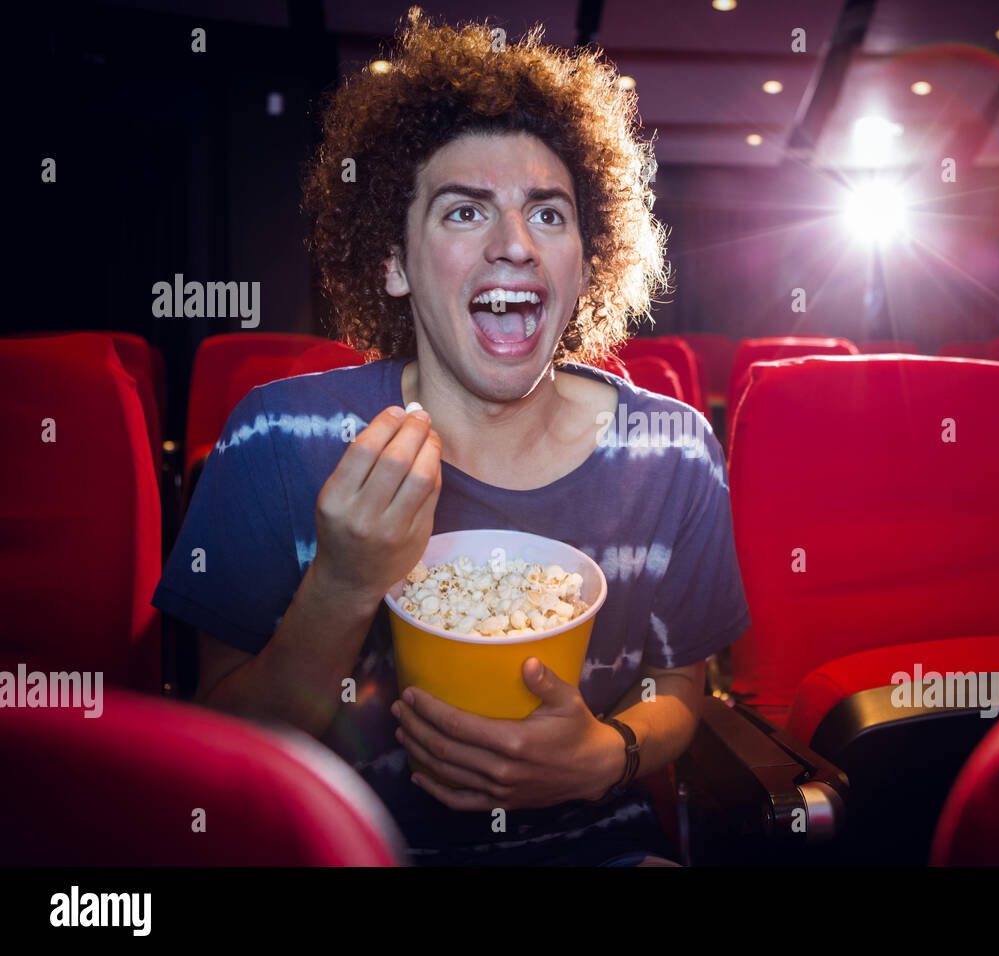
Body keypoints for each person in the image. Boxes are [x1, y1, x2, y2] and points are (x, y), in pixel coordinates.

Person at [151, 14, 750, 866]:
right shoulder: (276, 438)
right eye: (465, 211)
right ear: (393, 261)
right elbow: (218, 750)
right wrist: (342, 583)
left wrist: (604, 756)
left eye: (549, 214)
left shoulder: (677, 450)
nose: (514, 246)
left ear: (587, 261)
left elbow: (680, 688)